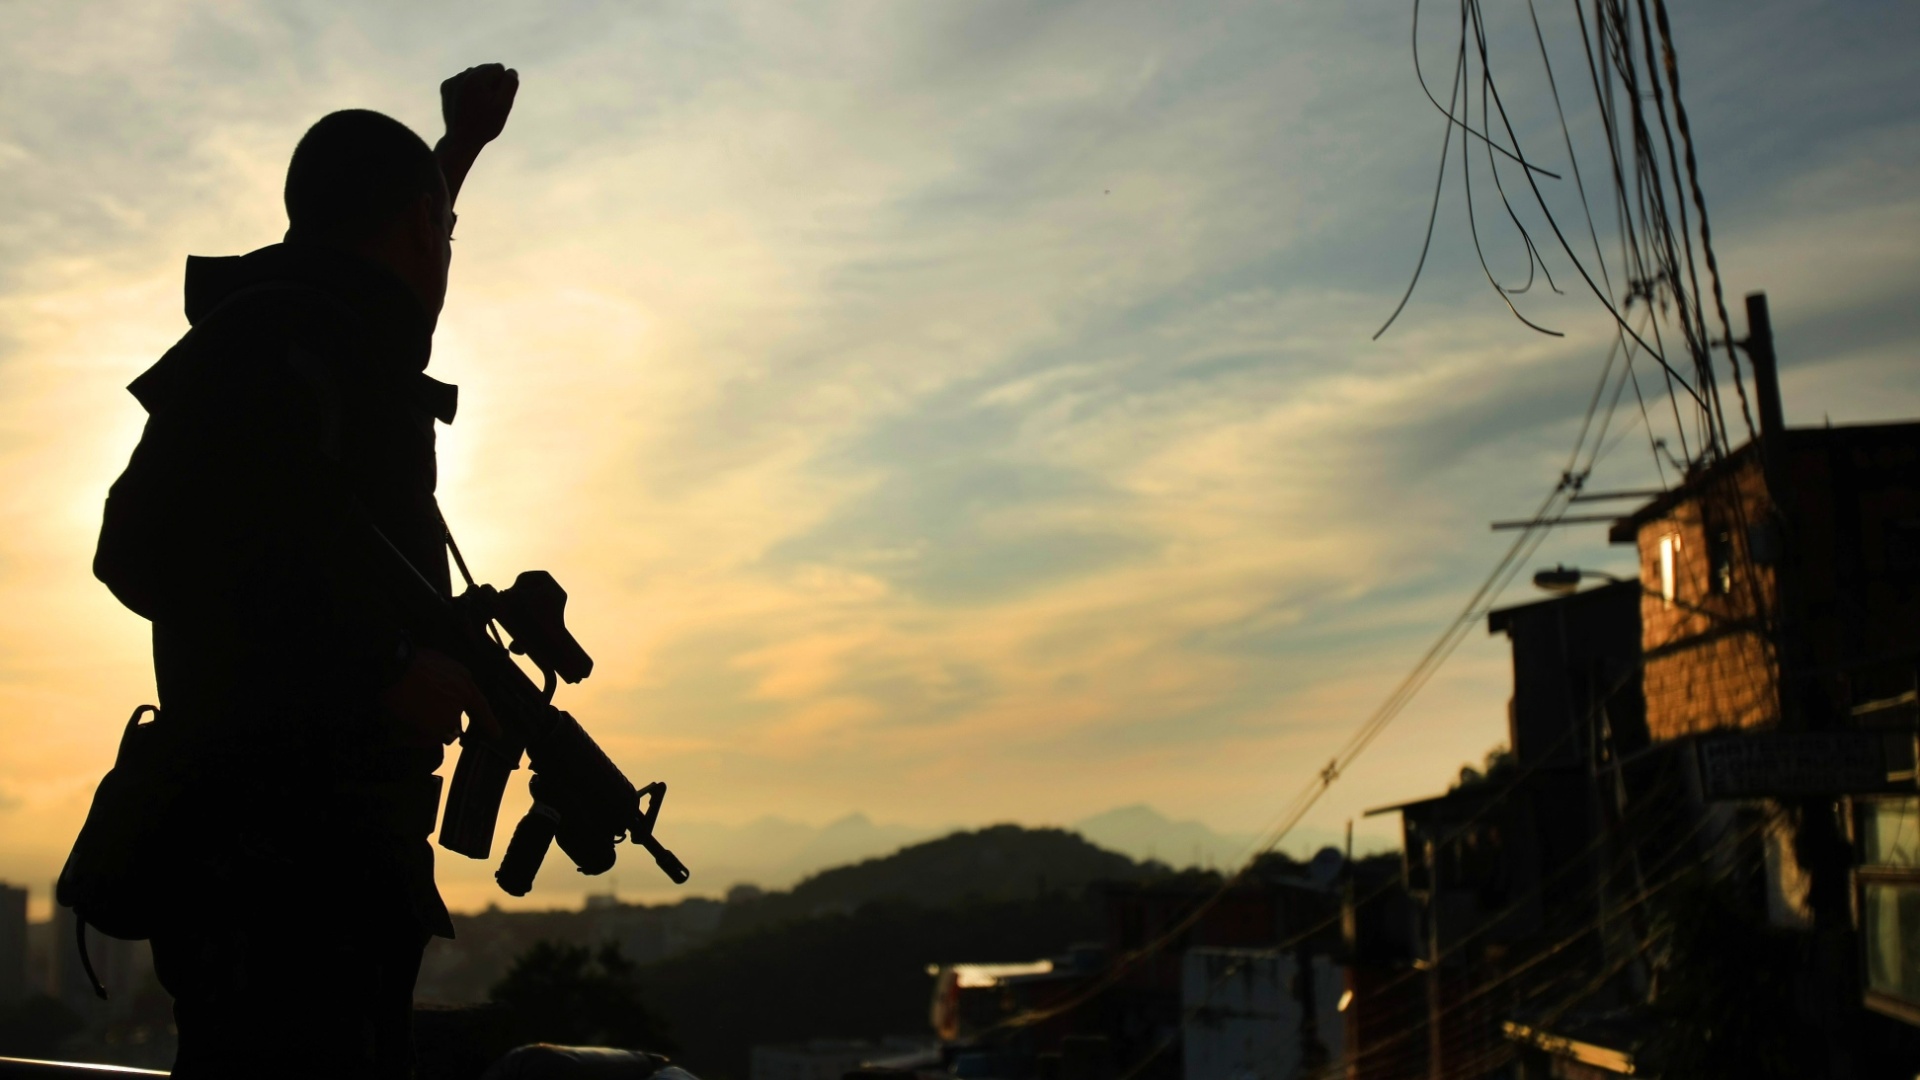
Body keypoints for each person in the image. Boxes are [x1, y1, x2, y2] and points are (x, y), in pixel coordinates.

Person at [91, 65, 519, 1077]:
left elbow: (390, 259)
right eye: (440, 227)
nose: (445, 253)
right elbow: (142, 547)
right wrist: (384, 669)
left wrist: (454, 155)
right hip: (276, 873)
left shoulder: (324, 332)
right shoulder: (276, 345)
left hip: (321, 859)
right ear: (415, 227)